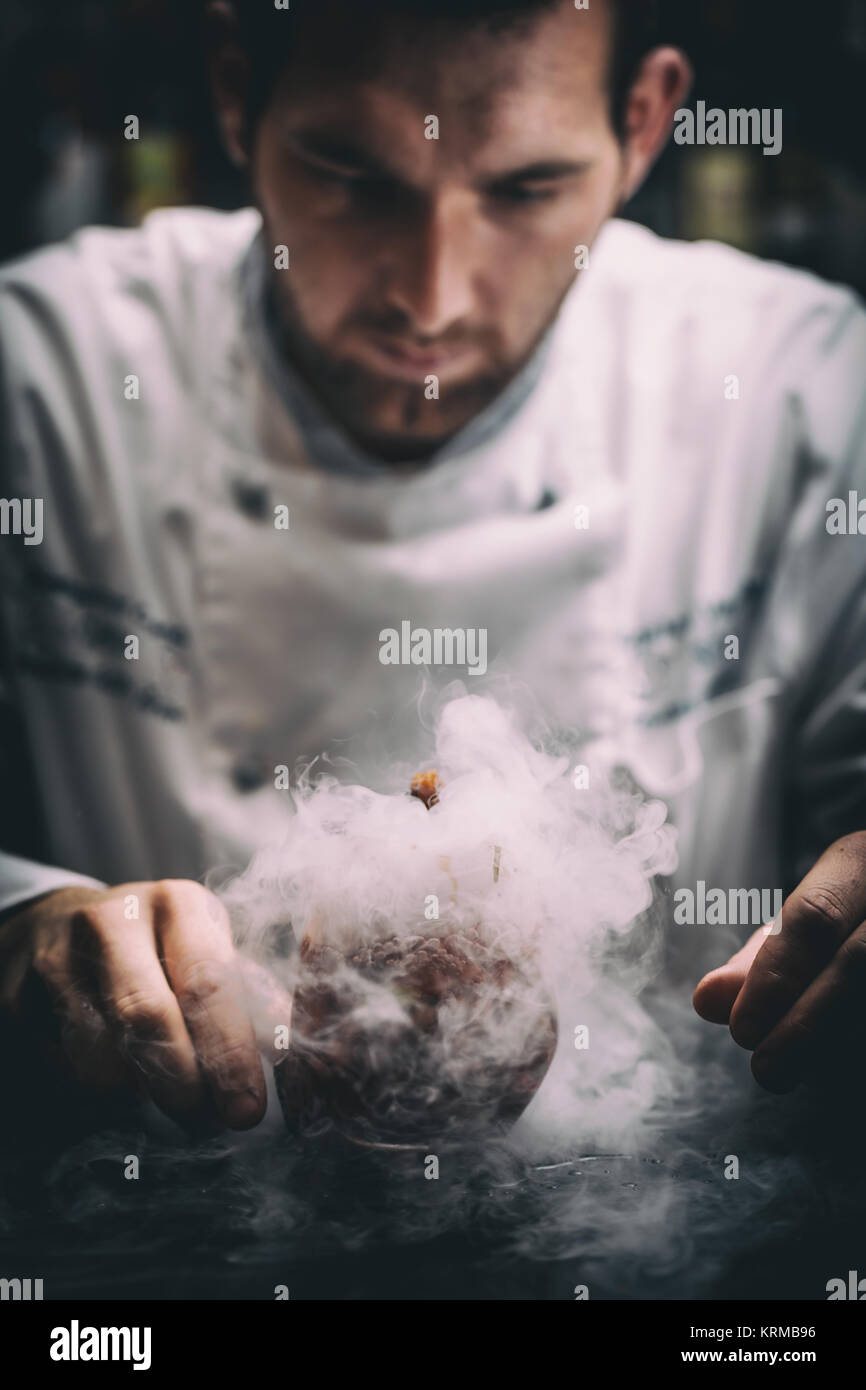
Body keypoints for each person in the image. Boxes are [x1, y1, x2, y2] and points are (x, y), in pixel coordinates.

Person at [0, 0, 864, 1134]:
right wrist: (20, 925)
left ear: (643, 123)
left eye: (523, 189)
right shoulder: (41, 378)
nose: (430, 296)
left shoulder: (808, 392)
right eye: (349, 173)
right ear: (231, 92)